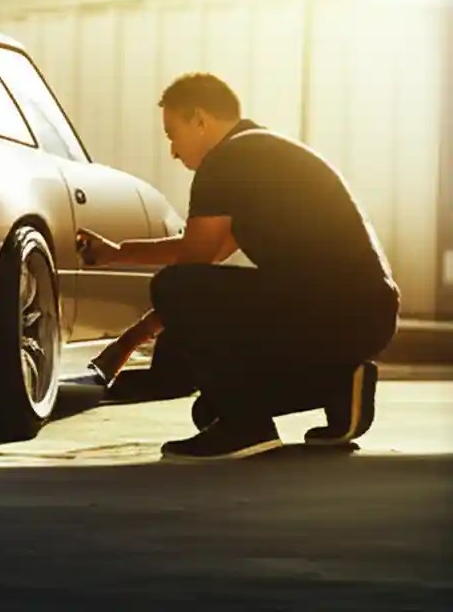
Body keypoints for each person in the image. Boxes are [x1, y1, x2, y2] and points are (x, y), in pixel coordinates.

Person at [77, 72, 400, 461]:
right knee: (210, 409)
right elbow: (208, 252)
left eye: (172, 135)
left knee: (175, 287)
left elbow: (191, 270)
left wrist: (129, 342)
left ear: (200, 120)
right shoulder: (262, 152)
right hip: (368, 317)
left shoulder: (226, 161)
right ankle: (340, 386)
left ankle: (247, 430)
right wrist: (115, 254)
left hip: (328, 312)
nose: (173, 152)